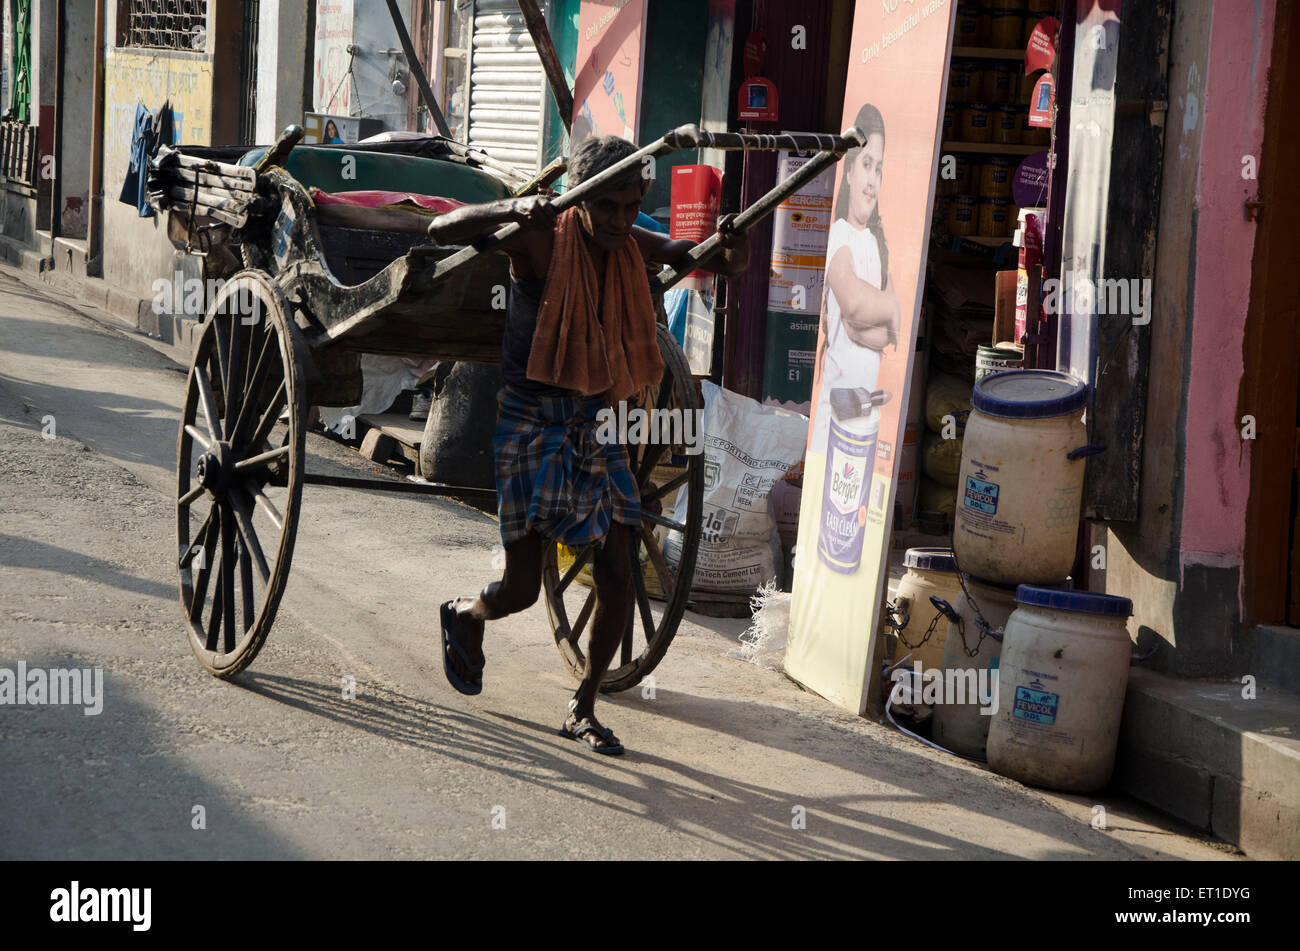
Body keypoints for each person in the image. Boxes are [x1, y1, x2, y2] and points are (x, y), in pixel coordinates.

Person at [427, 136, 749, 755]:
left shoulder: (630, 245)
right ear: (581, 199)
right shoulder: (541, 237)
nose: (622, 221)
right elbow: (444, 228)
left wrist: (730, 245)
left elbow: (700, 256)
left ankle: (585, 703)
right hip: (531, 423)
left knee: (618, 572)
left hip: (600, 423)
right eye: (608, 207)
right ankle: (467, 614)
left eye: (632, 207)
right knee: (520, 590)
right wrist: (511, 212)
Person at [811, 102, 901, 450]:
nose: (872, 180)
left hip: (867, 424)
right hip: (833, 422)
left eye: (879, 169)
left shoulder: (879, 245)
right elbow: (852, 308)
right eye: (866, 164)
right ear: (848, 172)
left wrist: (879, 316)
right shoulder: (839, 235)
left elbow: (891, 331)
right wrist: (883, 308)